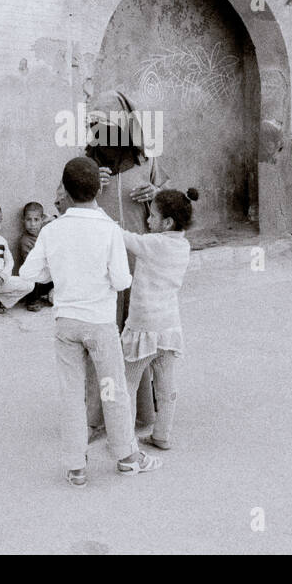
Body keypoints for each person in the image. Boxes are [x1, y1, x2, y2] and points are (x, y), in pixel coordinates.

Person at [18, 156, 161, 487]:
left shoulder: (52, 230)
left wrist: (58, 272)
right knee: (114, 390)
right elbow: (123, 280)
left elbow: (28, 273)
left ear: (64, 192)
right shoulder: (109, 229)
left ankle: (76, 466)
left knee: (71, 392)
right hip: (100, 323)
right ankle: (127, 457)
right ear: (99, 188)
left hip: (66, 323)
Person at [84, 90, 170, 430]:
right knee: (102, 337)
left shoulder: (145, 161)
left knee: (136, 336)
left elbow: (170, 202)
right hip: (99, 267)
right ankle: (97, 417)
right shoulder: (85, 164)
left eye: (107, 127)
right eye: (95, 127)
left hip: (137, 265)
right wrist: (89, 188)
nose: (100, 135)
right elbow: (62, 206)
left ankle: (140, 412)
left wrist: (156, 195)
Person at [121, 188, 198, 452]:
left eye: (152, 216)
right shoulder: (183, 246)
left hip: (144, 325)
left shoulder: (154, 244)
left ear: (167, 223)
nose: (147, 221)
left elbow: (124, 237)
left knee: (128, 383)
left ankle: (126, 442)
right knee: (166, 386)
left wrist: (97, 216)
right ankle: (162, 434)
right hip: (169, 327)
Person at [14, 201, 55, 311]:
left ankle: (51, 294)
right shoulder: (25, 241)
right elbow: (32, 265)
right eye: (29, 220)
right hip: (36, 277)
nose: (32, 224)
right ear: (23, 220)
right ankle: (33, 300)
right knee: (32, 278)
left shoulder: (45, 233)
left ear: (42, 220)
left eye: (36, 220)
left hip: (49, 274)